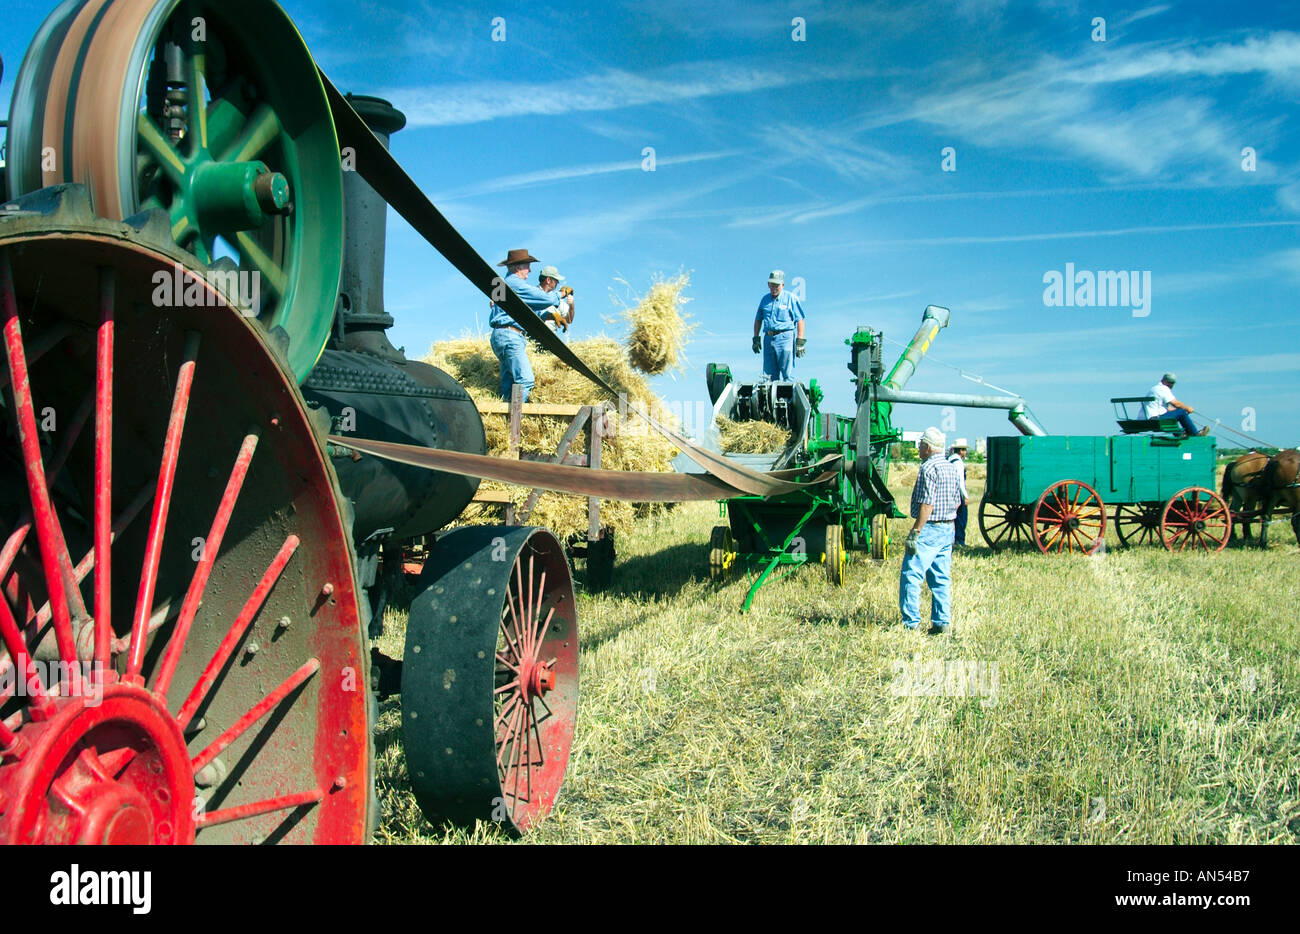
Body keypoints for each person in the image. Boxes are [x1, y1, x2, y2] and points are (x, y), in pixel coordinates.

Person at [900, 427, 962, 634]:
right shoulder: (951, 467)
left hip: (930, 528)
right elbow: (958, 501)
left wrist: (916, 531)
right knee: (941, 577)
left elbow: (927, 504)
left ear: (927, 447)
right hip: (948, 528)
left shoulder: (928, 469)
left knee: (912, 574)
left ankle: (911, 624)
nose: (918, 448)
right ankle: (941, 622)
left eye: (920, 445)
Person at [488, 249, 567, 403]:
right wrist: (561, 294)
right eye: (527, 266)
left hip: (500, 335)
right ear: (518, 267)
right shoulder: (515, 284)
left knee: (508, 386)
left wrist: (547, 315)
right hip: (510, 336)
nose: (530, 270)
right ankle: (515, 422)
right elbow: (546, 299)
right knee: (526, 380)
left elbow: (520, 313)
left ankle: (506, 421)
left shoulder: (502, 284)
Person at [752, 270, 805, 380]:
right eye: (772, 285)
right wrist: (756, 338)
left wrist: (800, 341)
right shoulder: (764, 300)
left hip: (785, 338)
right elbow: (758, 320)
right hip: (768, 338)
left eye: (777, 285)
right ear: (768, 285)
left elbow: (800, 319)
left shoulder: (791, 298)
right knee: (768, 376)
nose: (774, 288)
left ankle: (788, 396)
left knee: (788, 373)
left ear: (783, 285)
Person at [1142, 372, 1208, 437]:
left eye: (1172, 383)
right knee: (1182, 412)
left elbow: (1167, 409)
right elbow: (1176, 403)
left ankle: (1180, 434)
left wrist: (1179, 410)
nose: (1170, 384)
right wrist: (1187, 408)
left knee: (1179, 412)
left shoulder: (1154, 388)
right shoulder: (1163, 389)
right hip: (1155, 419)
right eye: (1169, 382)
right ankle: (1195, 434)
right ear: (1163, 381)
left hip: (1148, 419)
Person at [537, 264, 575, 342]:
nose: (557, 283)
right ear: (548, 280)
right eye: (556, 280)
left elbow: (569, 320)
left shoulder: (557, 299)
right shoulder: (533, 294)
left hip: (549, 342)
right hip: (532, 339)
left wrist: (571, 306)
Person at [947, 438, 970, 549]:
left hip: (950, 493)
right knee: (961, 518)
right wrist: (965, 496)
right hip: (958, 494)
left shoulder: (949, 459)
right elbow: (960, 481)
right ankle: (960, 541)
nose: (965, 452)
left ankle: (952, 539)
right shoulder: (958, 463)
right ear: (960, 451)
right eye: (964, 450)